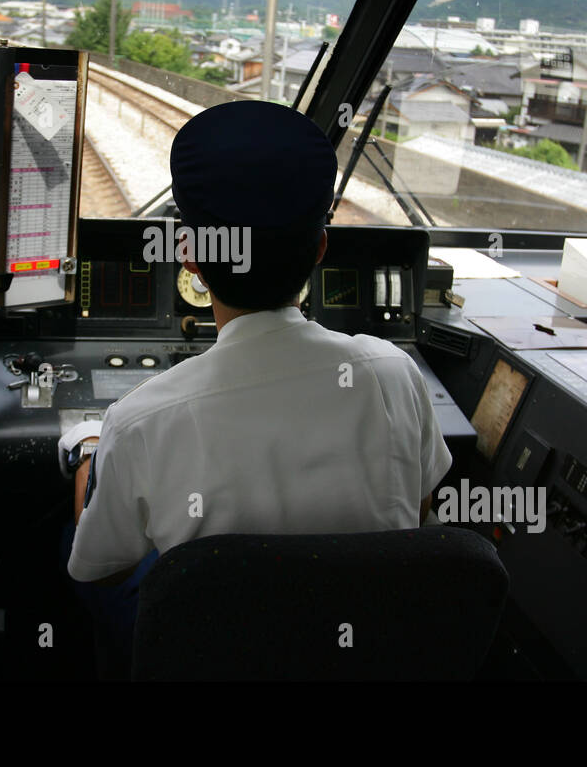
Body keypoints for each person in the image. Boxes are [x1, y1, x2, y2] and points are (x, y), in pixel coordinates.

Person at [62, 100, 453, 670]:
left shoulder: (141, 420)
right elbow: (419, 517)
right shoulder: (395, 375)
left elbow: (100, 567)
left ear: (190, 256)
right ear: (320, 250)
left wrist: (89, 458)